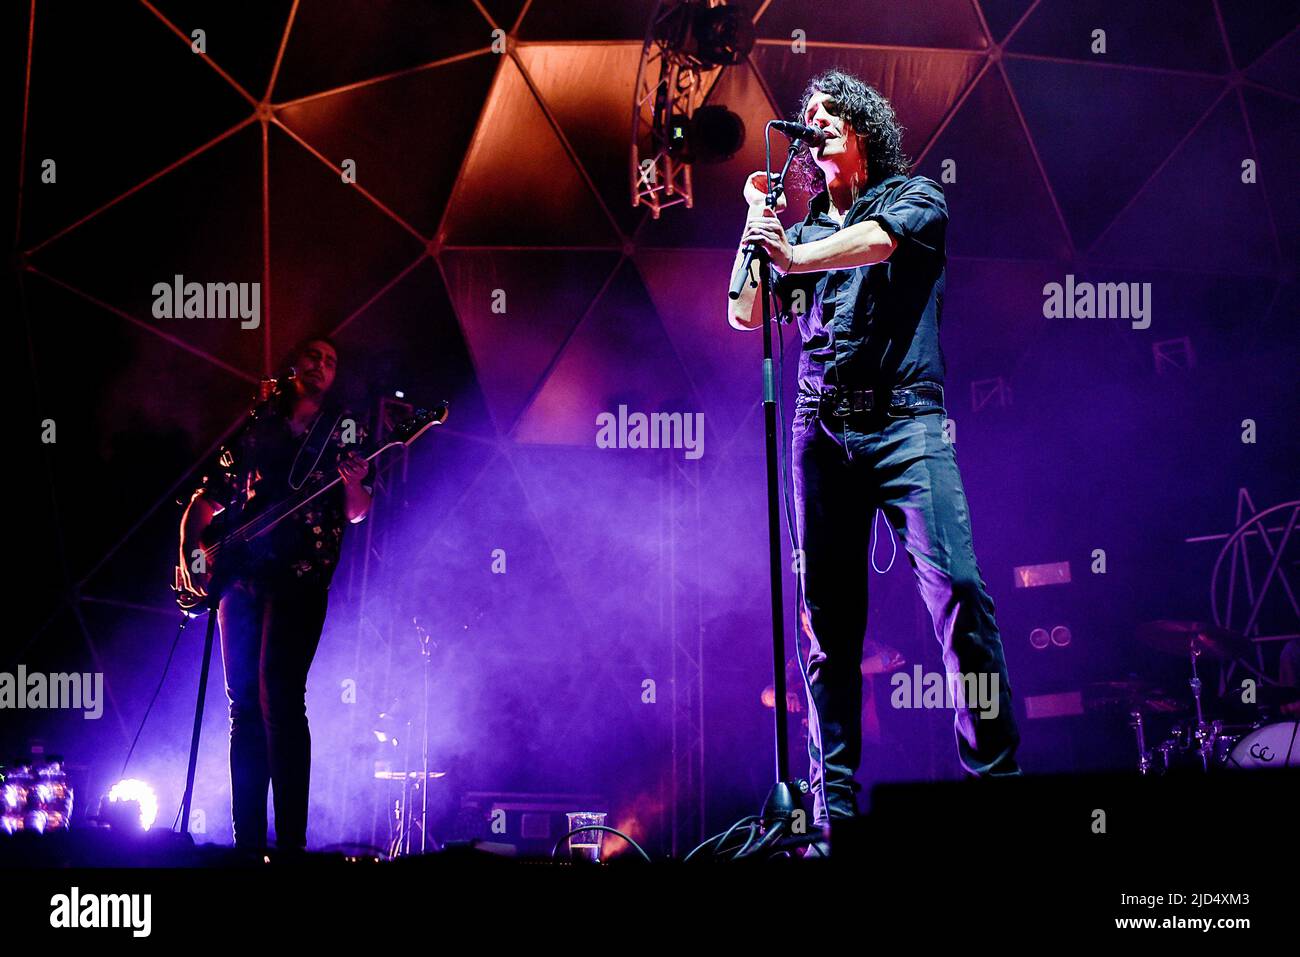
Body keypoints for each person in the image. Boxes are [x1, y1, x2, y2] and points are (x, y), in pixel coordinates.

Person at [726, 71, 1022, 835]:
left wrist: (792, 255)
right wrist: (759, 222)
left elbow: (877, 244)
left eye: (827, 115)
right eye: (806, 118)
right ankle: (836, 816)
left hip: (905, 424)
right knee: (827, 626)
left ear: (860, 128)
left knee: (958, 588)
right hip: (819, 430)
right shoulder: (802, 236)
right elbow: (742, 311)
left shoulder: (914, 198)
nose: (812, 124)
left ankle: (995, 783)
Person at [177, 336, 371, 849]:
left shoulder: (343, 428)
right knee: (242, 704)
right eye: (313, 355)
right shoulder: (257, 425)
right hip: (239, 578)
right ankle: (247, 844)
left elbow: (356, 510)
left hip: (301, 577)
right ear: (292, 364)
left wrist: (354, 482)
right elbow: (206, 498)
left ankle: (289, 846)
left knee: (280, 701)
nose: (322, 365)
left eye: (332, 361)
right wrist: (190, 550)